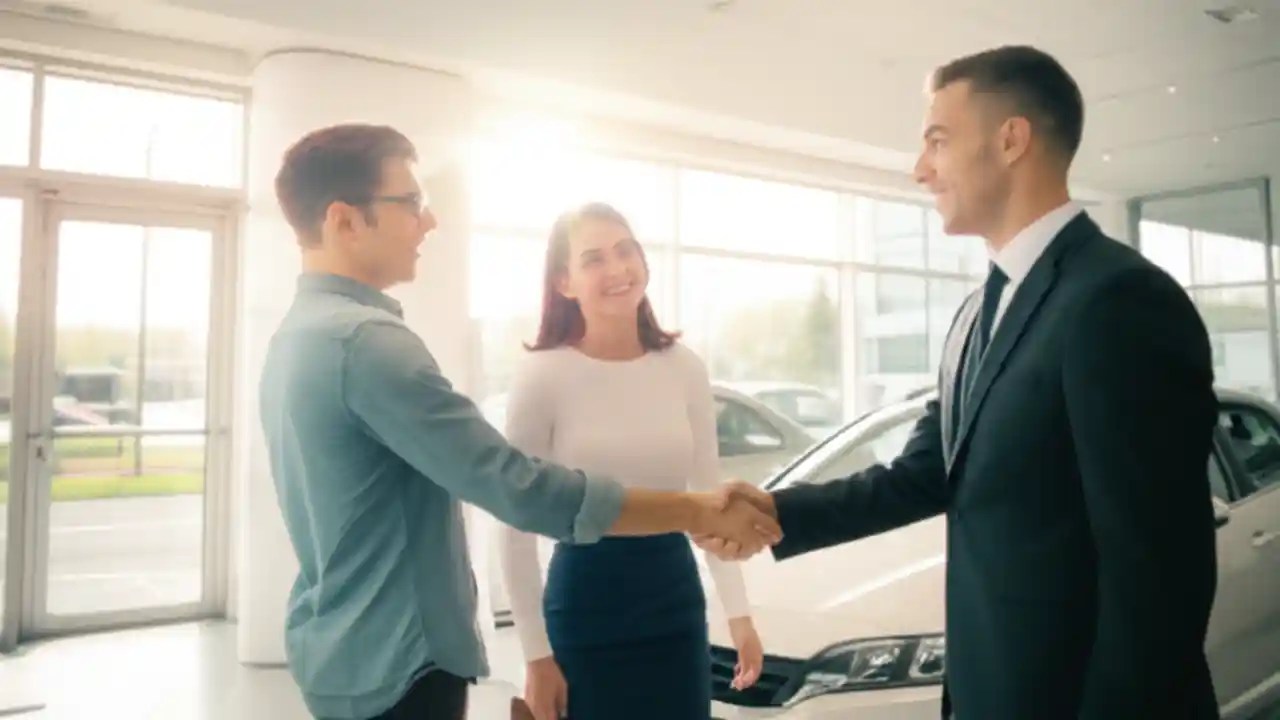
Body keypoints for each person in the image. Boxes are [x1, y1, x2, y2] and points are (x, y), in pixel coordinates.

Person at [699, 45, 1220, 720]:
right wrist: (775, 512)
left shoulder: (1119, 301)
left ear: (1011, 140)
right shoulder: (978, 311)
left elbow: (1159, 579)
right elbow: (925, 474)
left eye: (937, 141)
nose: (920, 169)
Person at [258, 124, 782, 720]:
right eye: (410, 202)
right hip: (400, 659)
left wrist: (731, 596)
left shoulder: (300, 338)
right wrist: (694, 511)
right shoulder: (366, 344)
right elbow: (515, 487)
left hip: (357, 652)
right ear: (345, 221)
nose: (428, 221)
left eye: (626, 250)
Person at [496, 202, 764, 720]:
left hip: (674, 602)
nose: (617, 269)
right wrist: (536, 656)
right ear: (564, 282)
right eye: (593, 259)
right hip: (585, 608)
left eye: (626, 251)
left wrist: (739, 614)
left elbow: (710, 497)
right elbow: (514, 525)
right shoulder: (542, 374)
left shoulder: (684, 368)